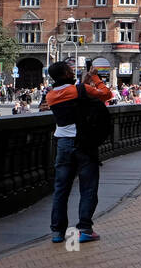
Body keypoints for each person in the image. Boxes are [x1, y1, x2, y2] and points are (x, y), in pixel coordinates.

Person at [41, 61, 112, 244]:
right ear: (65, 73)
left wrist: (83, 82)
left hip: (63, 144)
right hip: (84, 143)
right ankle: (84, 229)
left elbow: (74, 93)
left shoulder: (51, 96)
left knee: (61, 189)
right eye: (70, 69)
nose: (73, 71)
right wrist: (95, 78)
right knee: (88, 187)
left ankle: (57, 232)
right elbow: (106, 94)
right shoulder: (80, 89)